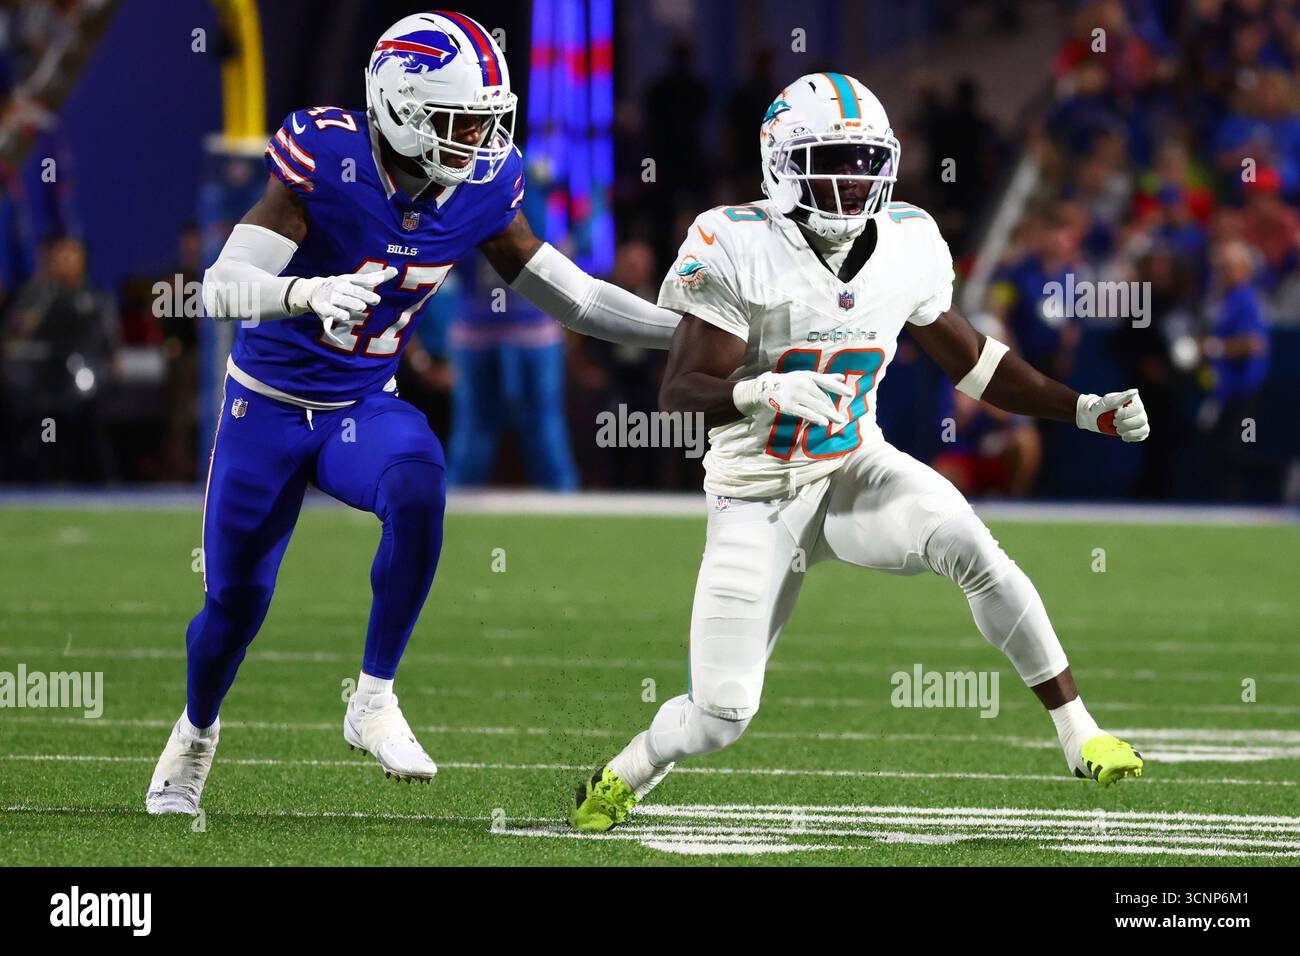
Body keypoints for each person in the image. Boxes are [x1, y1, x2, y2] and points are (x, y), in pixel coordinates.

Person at [568, 73, 1150, 833]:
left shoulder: (908, 239)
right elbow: (679, 391)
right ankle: (630, 768)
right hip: (756, 494)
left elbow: (975, 364)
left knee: (970, 542)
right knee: (722, 715)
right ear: (781, 164)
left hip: (850, 468)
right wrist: (760, 390)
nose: (850, 179)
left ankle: (1079, 730)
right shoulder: (733, 239)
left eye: (863, 159)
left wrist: (1080, 408)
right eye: (831, 159)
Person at [145, 12, 679, 815]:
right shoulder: (327, 158)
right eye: (458, 121)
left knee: (420, 481)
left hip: (361, 406)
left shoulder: (482, 188)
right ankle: (194, 733)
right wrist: (305, 292)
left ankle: (373, 697)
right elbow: (220, 285)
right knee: (234, 607)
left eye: (484, 121)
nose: (476, 141)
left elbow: (572, 295)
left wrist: (686, 332)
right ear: (398, 107)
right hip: (268, 407)